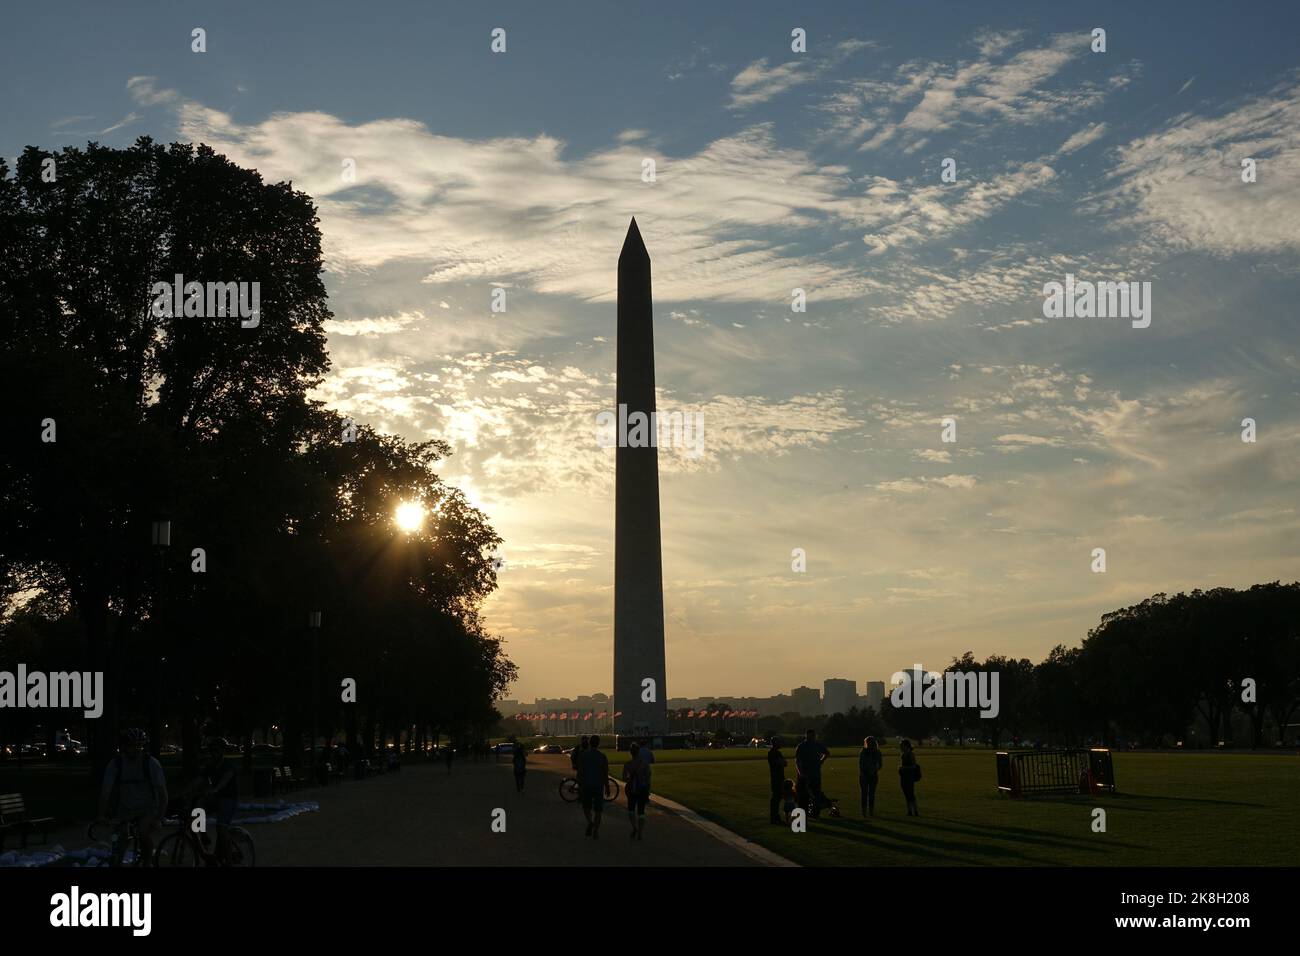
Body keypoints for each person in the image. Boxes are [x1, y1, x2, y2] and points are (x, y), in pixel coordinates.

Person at [99, 727, 168, 866]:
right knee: (119, 842)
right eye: (133, 746)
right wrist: (101, 815)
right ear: (124, 746)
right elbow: (105, 792)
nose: (137, 749)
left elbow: (163, 794)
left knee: (143, 833)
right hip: (125, 808)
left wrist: (159, 818)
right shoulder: (116, 764)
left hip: (147, 808)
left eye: (140, 746)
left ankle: (148, 861)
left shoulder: (151, 763)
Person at [577, 735, 609, 838]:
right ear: (598, 744)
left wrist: (580, 784)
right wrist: (607, 786)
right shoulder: (602, 756)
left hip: (586, 785)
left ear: (590, 743)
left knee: (586, 807)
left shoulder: (584, 755)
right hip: (598, 785)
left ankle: (590, 821)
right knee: (598, 810)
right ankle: (596, 830)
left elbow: (580, 772)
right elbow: (605, 773)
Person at [793, 729, 830, 817]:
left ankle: (814, 812)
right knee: (805, 795)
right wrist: (800, 771)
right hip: (806, 774)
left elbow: (827, 753)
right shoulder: (803, 746)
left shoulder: (812, 745)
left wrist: (821, 761)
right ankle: (807, 813)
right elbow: (797, 760)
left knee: (814, 794)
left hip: (812, 774)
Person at [622, 743, 650, 840]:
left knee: (631, 810)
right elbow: (648, 779)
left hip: (631, 789)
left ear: (631, 753)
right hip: (641, 789)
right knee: (641, 812)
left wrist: (631, 779)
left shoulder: (628, 764)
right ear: (638, 752)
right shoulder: (644, 764)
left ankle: (634, 827)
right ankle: (640, 833)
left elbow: (624, 778)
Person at [858, 736, 883, 817]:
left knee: (871, 794)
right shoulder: (863, 751)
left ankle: (870, 812)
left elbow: (880, 765)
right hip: (864, 775)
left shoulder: (877, 752)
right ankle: (864, 812)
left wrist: (875, 769)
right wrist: (865, 771)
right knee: (864, 794)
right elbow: (861, 764)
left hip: (873, 775)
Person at [766, 736, 788, 824]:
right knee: (776, 798)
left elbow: (784, 763)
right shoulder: (773, 753)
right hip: (776, 778)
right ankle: (774, 817)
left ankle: (775, 816)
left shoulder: (777, 753)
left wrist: (782, 762)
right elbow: (782, 762)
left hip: (779, 777)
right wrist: (782, 762)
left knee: (778, 798)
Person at [899, 738, 920, 816]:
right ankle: (910, 811)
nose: (901, 747)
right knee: (907, 794)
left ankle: (915, 810)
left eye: (902, 746)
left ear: (906, 746)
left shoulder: (910, 754)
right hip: (904, 776)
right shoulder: (903, 754)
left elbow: (914, 766)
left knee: (910, 794)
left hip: (909, 777)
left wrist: (903, 768)